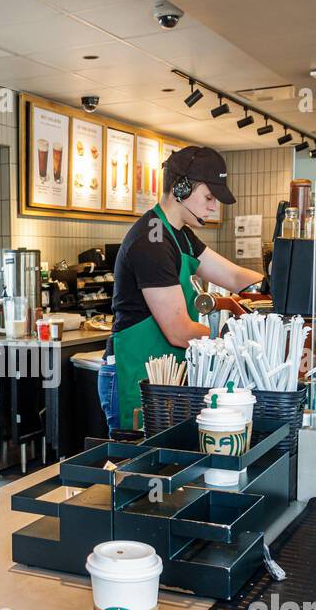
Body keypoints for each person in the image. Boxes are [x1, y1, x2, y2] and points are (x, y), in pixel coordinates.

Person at [98, 146, 264, 432]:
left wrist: (274, 288)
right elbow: (179, 331)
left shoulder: (181, 236)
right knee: (134, 467)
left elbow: (234, 276)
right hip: (134, 373)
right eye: (209, 197)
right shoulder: (152, 241)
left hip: (162, 376)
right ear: (180, 187)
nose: (214, 207)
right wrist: (234, 337)